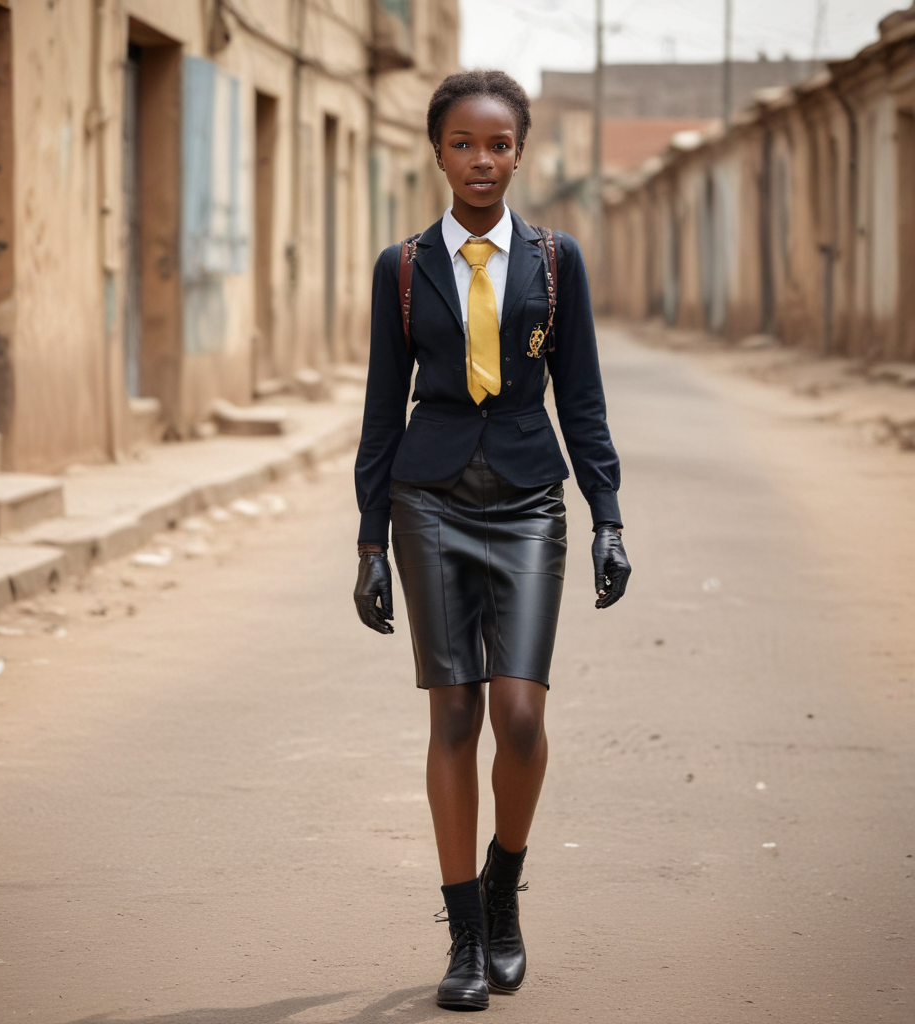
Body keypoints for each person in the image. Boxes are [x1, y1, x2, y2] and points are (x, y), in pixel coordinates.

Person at [353, 69, 631, 1012]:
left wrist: (609, 515)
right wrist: (368, 545)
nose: (482, 160)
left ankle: (504, 880)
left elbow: (583, 398)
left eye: (499, 144)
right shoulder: (403, 265)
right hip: (425, 500)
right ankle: (466, 935)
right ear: (437, 151)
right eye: (464, 144)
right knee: (455, 717)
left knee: (519, 715)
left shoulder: (557, 261)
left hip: (526, 498)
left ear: (521, 152)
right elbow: (380, 410)